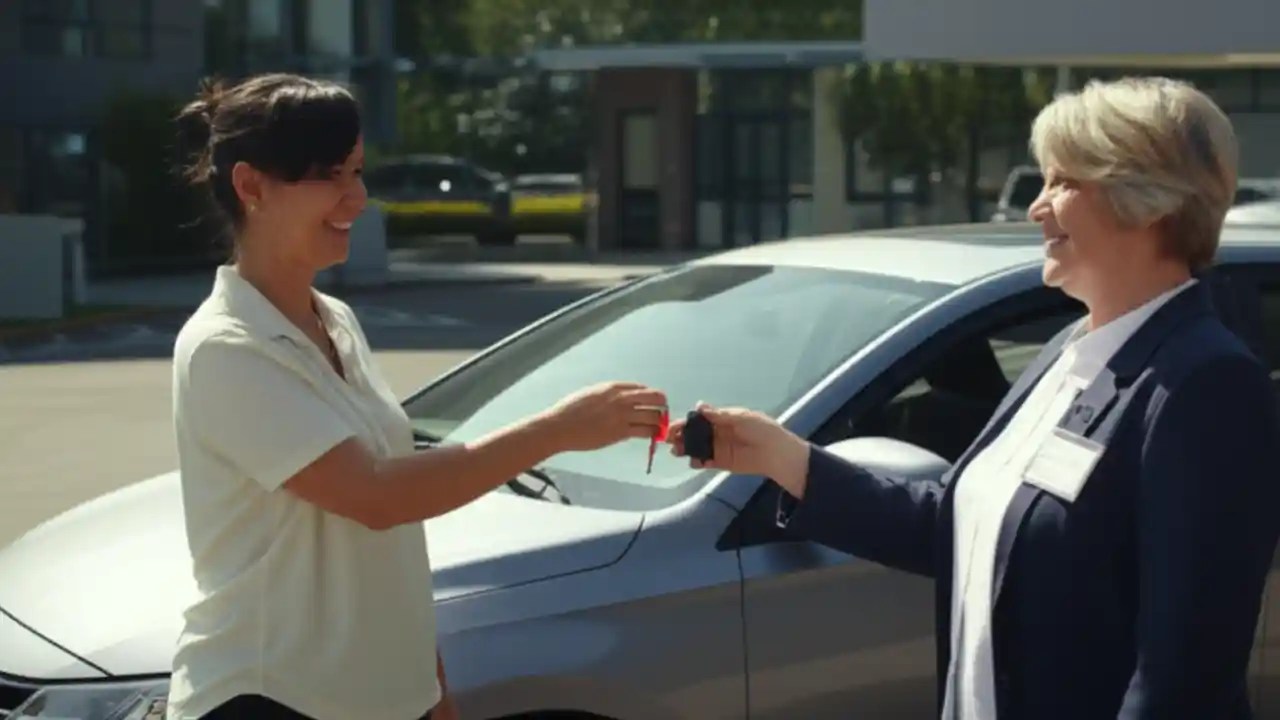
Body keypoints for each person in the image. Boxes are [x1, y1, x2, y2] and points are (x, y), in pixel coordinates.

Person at [668, 76, 1280, 720]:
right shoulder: (1072, 347)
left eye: (1064, 182)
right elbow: (957, 526)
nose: (1036, 208)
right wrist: (783, 458)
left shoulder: (1206, 386)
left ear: (1150, 200)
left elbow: (1182, 685)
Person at [166, 73, 667, 720]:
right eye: (331, 175)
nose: (357, 197)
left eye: (358, 171)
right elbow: (379, 496)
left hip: (378, 699)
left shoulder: (336, 321)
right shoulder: (224, 347)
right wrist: (558, 430)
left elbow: (389, 537)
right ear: (251, 185)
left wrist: (430, 686)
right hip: (269, 697)